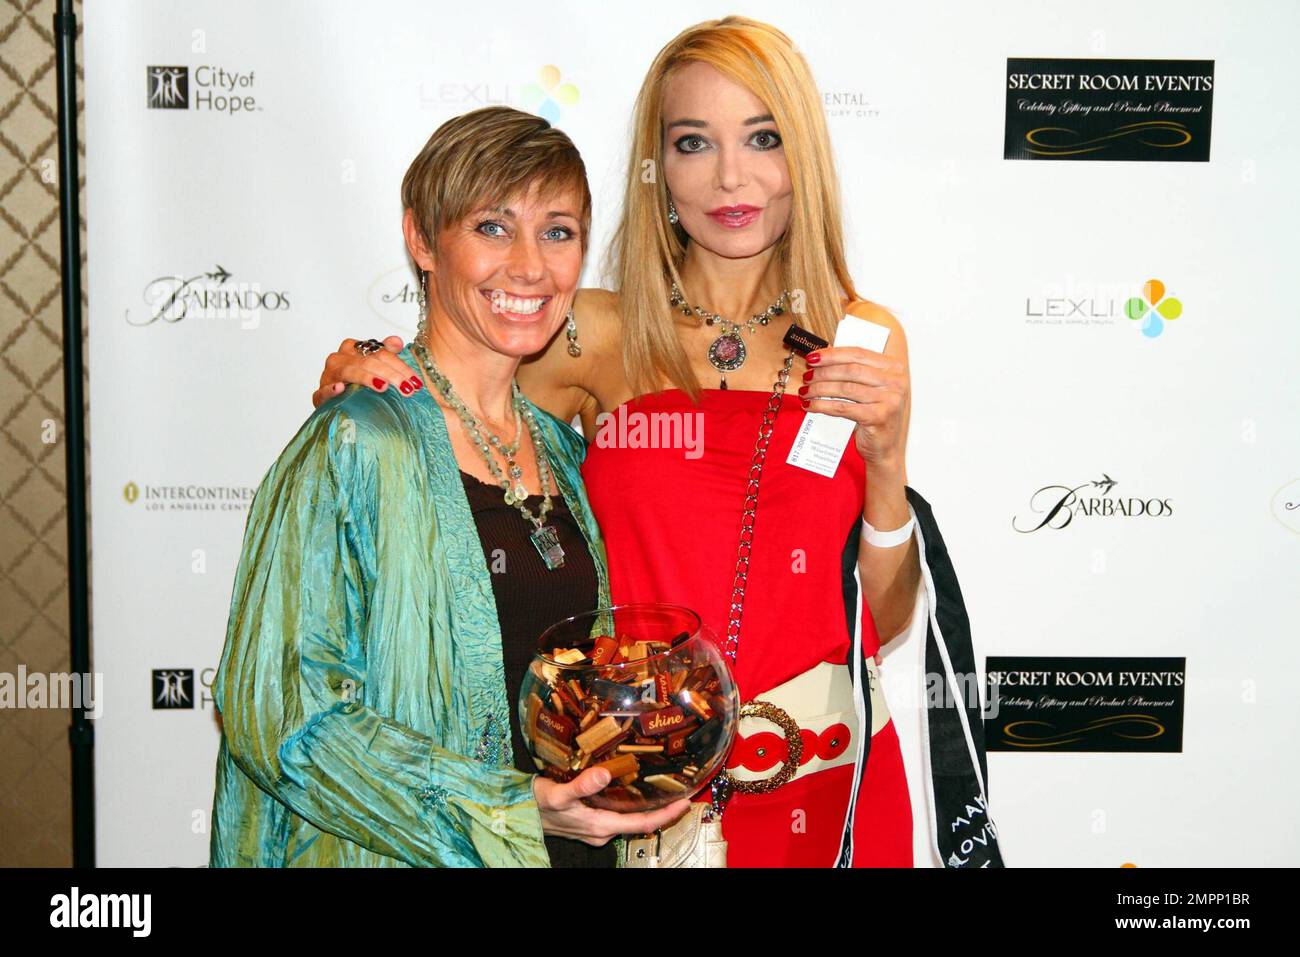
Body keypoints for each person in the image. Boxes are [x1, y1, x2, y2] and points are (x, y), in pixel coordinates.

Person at [310, 17, 1002, 867]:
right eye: (692, 143)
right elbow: (467, 427)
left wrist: (888, 462)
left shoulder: (858, 337)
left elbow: (882, 620)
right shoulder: (591, 332)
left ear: (804, 159)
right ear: (657, 167)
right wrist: (379, 373)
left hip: (829, 795)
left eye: (763, 137)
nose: (731, 176)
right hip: (642, 807)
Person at [209, 106, 689, 868]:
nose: (530, 265)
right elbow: (281, 713)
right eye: (493, 227)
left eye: (558, 231)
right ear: (422, 240)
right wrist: (504, 811)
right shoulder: (353, 444)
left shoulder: (566, 451)